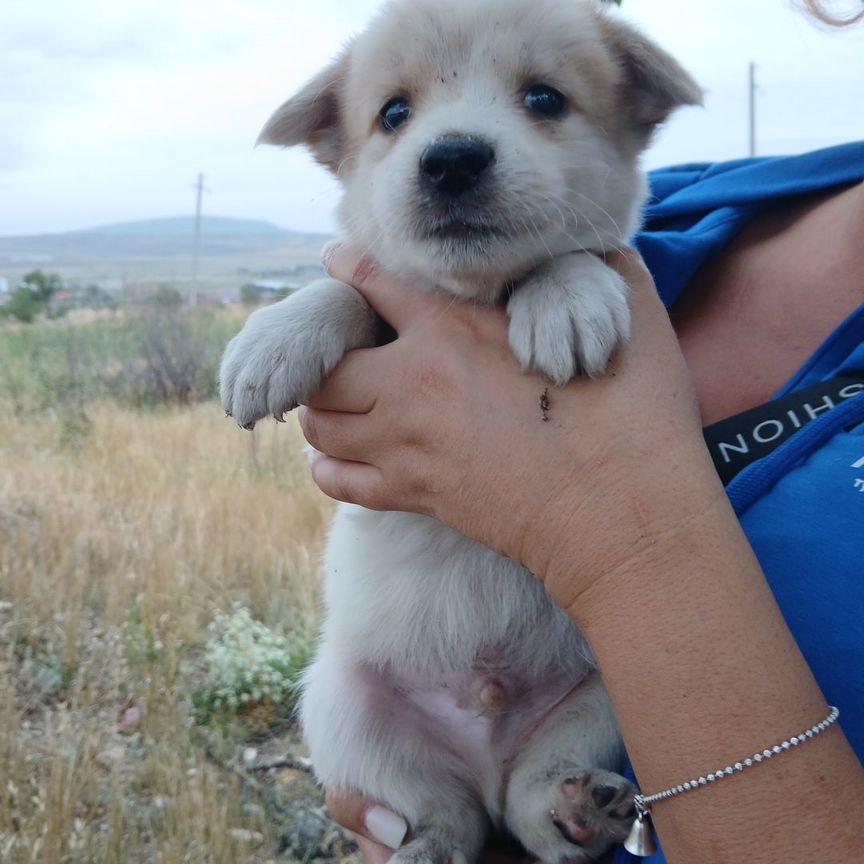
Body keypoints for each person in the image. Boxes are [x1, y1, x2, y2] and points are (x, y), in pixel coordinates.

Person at [295, 3, 864, 862]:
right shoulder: (699, 207)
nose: (454, 141)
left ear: (634, 106)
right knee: (340, 704)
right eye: (398, 113)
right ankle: (446, 823)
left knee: (574, 741)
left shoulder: (595, 248)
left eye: (543, 99)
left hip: (567, 708)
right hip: (407, 692)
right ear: (339, 151)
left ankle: (539, 797)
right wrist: (333, 311)